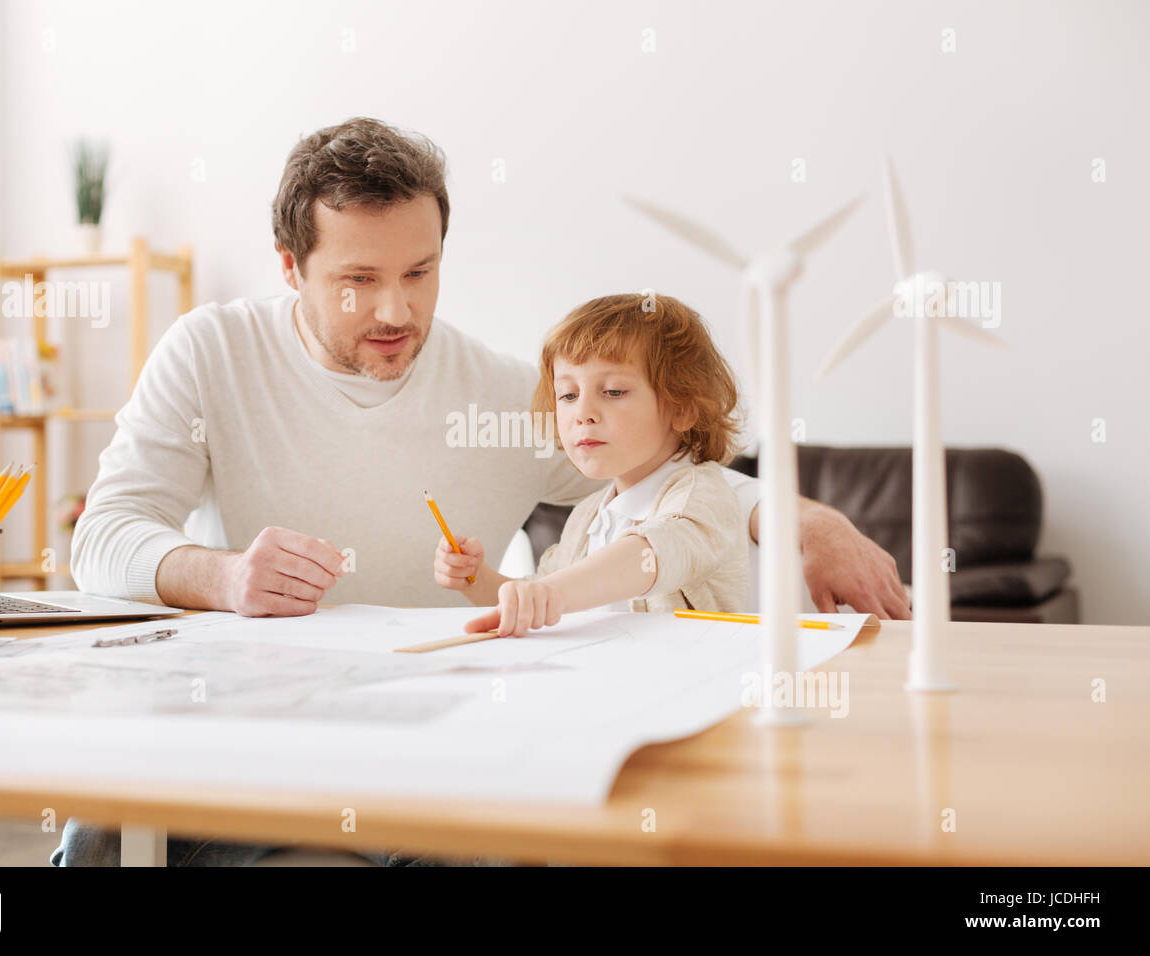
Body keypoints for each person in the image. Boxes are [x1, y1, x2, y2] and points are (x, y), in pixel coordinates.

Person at [53, 116, 910, 867]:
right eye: (358, 280)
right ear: (290, 266)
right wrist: (224, 577)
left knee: (521, 834)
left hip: (440, 734)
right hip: (259, 721)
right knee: (102, 834)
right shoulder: (211, 354)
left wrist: (812, 521)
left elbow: (675, 473)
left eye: (420, 273)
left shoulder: (500, 397)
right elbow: (104, 539)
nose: (395, 310)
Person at [436, 292, 749, 636]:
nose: (582, 413)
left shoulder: (701, 497)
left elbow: (651, 554)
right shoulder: (587, 516)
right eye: (568, 395)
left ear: (683, 407)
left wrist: (553, 592)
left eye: (613, 391)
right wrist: (475, 577)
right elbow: (534, 600)